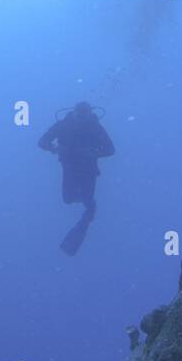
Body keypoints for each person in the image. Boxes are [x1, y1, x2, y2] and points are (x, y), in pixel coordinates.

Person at [38, 102, 115, 255]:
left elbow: (110, 149)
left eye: (84, 116)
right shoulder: (63, 126)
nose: (81, 119)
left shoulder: (94, 127)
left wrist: (93, 153)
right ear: (74, 113)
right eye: (79, 115)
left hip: (89, 170)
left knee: (87, 200)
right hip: (70, 168)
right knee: (67, 199)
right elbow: (42, 142)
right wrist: (54, 148)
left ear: (89, 115)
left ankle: (89, 208)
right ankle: (89, 206)